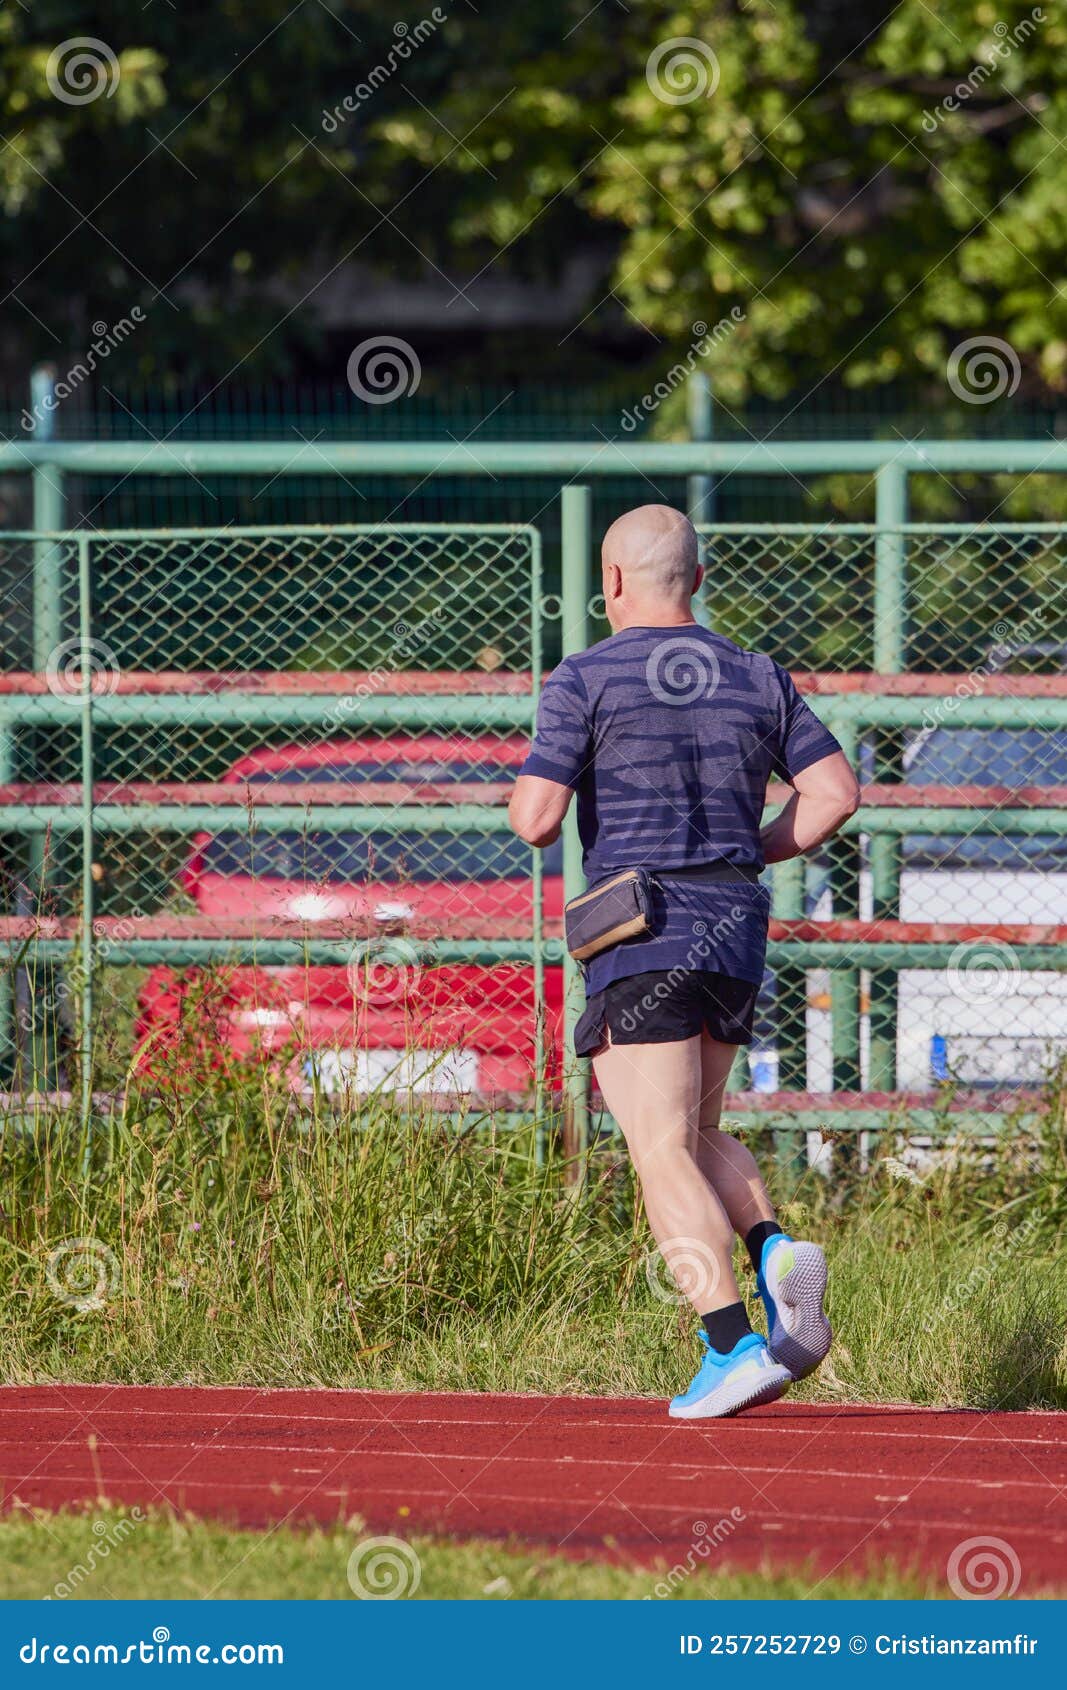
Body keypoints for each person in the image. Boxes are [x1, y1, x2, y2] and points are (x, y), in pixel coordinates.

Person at [508, 504, 860, 1419]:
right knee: (697, 1131)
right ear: (696, 580)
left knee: (657, 1146)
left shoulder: (584, 676)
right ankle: (774, 1249)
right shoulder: (757, 674)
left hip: (641, 931)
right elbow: (833, 793)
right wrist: (745, 848)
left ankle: (730, 1346)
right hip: (734, 925)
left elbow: (535, 820)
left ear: (610, 582)